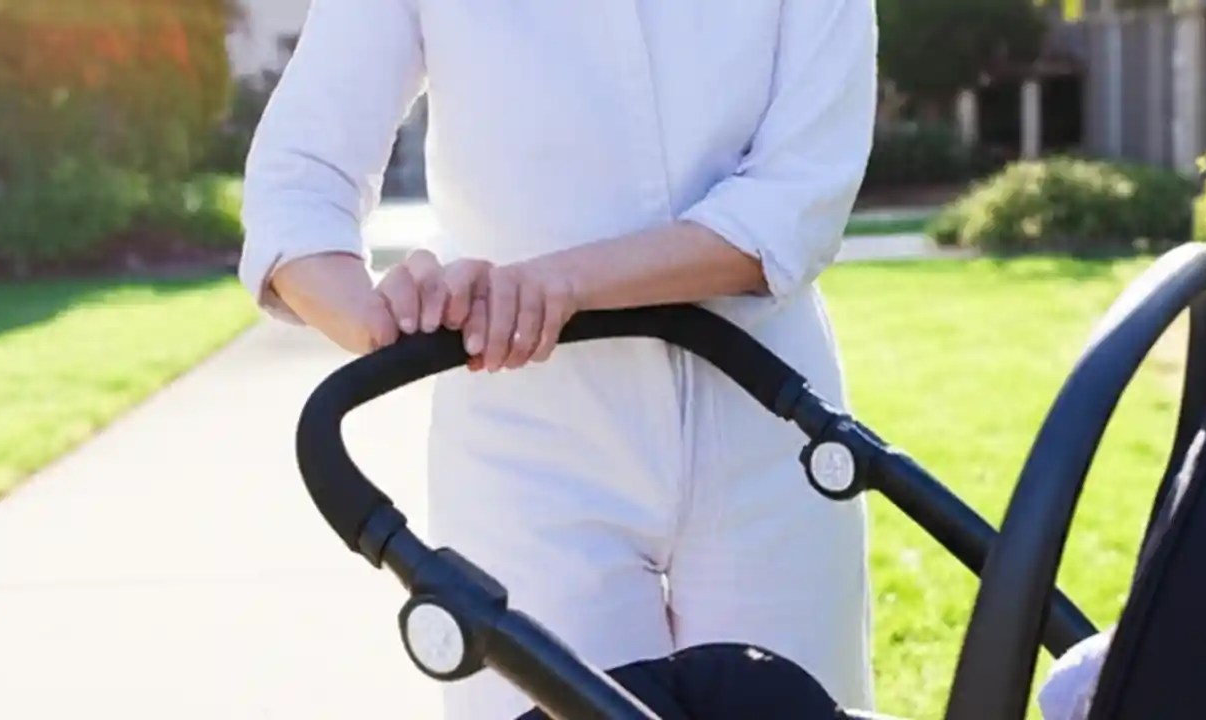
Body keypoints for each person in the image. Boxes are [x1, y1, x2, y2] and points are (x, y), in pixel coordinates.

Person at [239, 1, 879, 717]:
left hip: (766, 425)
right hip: (527, 446)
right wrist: (387, 320)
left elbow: (797, 199)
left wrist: (554, 286)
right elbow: (300, 181)